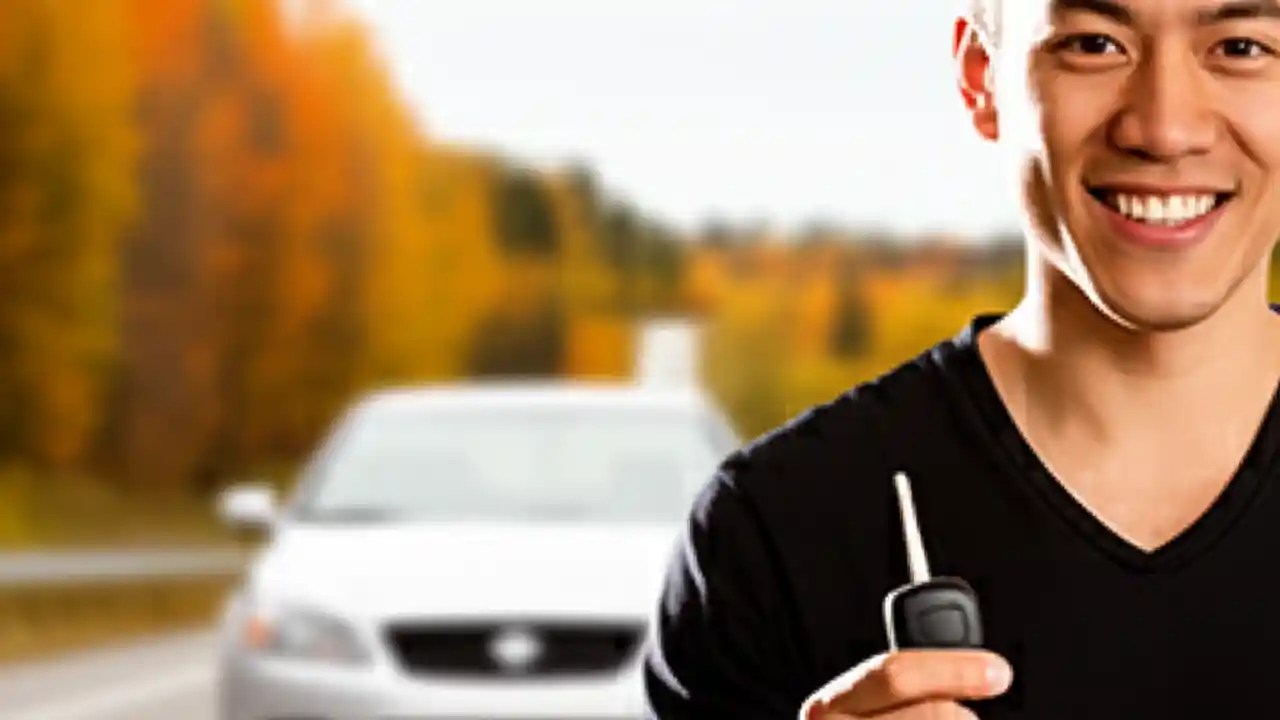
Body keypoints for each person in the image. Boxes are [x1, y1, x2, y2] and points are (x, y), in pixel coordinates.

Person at [643, 0, 1280, 717]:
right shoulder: (774, 531)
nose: (1166, 129)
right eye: (1094, 44)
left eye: (1242, 48)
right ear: (982, 79)